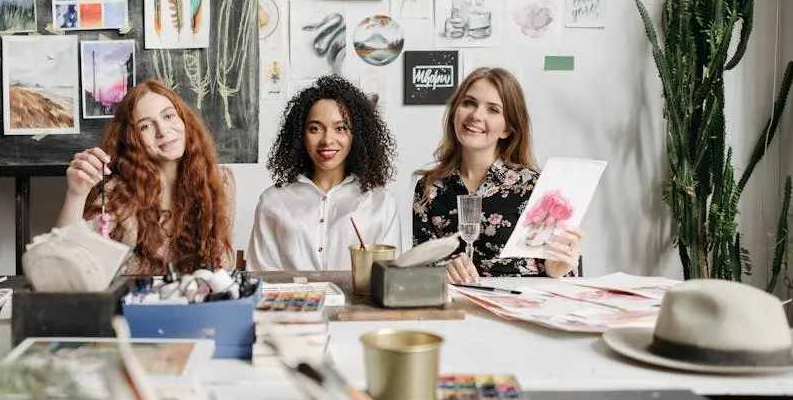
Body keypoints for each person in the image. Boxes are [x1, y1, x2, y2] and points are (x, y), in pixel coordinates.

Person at [412, 67, 583, 281]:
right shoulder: (429, 188)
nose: (476, 115)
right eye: (469, 103)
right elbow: (416, 273)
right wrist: (441, 271)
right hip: (455, 308)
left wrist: (557, 271)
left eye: (493, 109)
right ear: (455, 112)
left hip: (519, 308)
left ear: (507, 129)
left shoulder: (536, 188)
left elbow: (569, 277)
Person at [57, 79, 236, 275]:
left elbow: (222, 264)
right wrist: (76, 193)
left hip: (198, 304)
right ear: (131, 139)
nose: (163, 130)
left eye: (168, 116)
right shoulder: (119, 191)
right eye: (146, 126)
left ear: (185, 120)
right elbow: (67, 260)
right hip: (132, 303)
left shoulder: (221, 181)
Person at [248, 74, 402, 271]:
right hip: (290, 303)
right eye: (315, 129)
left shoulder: (381, 203)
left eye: (340, 128)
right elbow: (262, 277)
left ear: (357, 136)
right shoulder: (272, 201)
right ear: (300, 136)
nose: (328, 140)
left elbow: (390, 278)